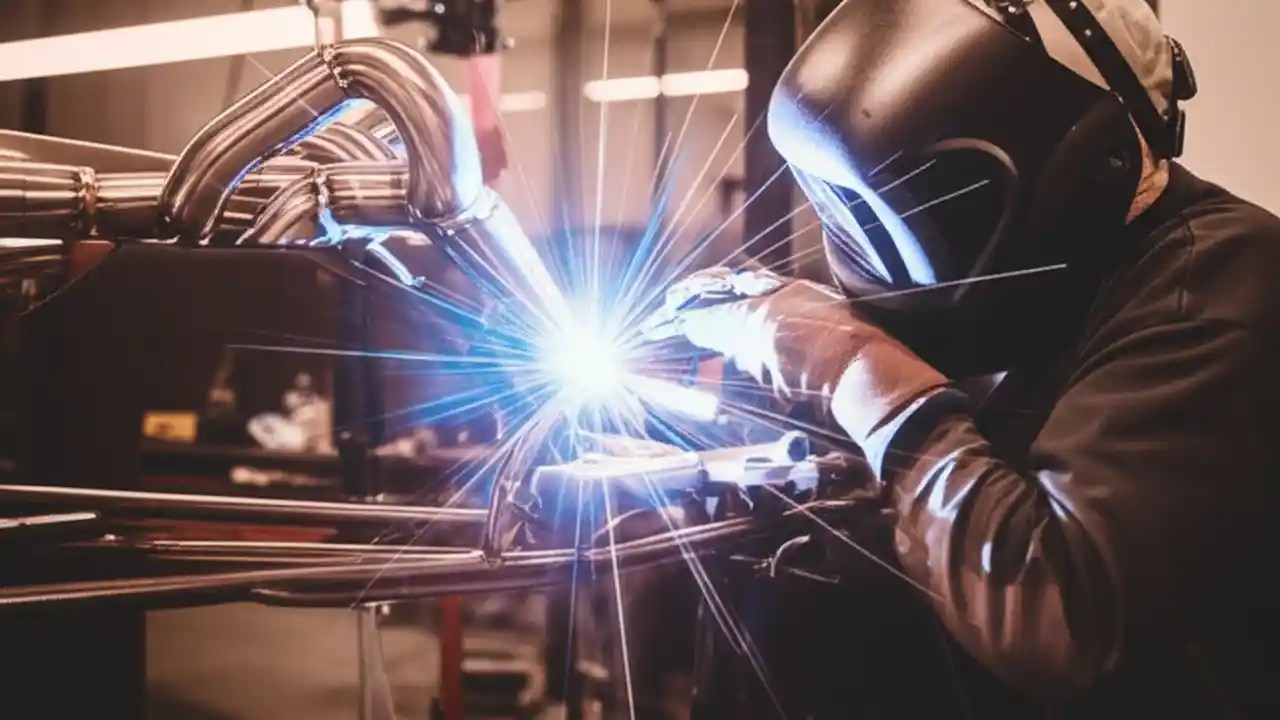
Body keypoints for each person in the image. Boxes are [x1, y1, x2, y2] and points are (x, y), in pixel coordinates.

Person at [663, 0, 1280, 717]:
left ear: (1083, 160)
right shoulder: (1019, 292)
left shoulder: (1217, 289)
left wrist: (855, 366)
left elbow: (1060, 617)